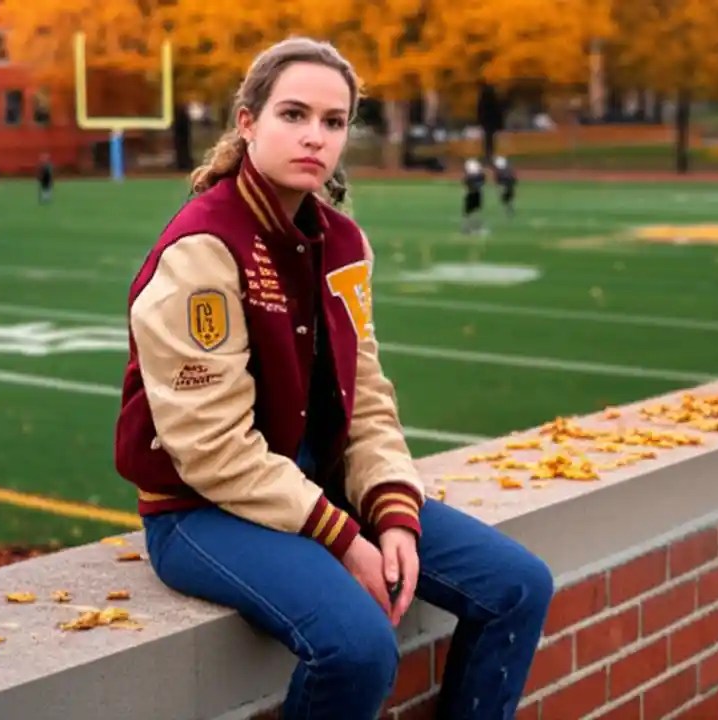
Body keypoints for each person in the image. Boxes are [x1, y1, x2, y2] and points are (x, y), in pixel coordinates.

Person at [113, 37, 553, 720]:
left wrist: (393, 512)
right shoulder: (202, 249)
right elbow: (208, 448)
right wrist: (346, 537)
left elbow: (367, 399)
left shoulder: (343, 242)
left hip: (315, 489)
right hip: (202, 508)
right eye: (293, 115)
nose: (314, 137)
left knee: (519, 586)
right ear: (247, 121)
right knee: (357, 645)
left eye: (333, 121)